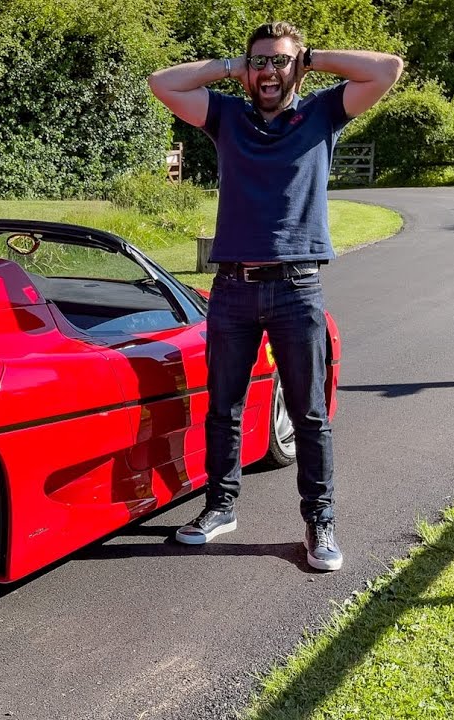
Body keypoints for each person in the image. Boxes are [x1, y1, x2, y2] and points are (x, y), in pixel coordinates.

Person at [147, 22, 403, 571]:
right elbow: (162, 83)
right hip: (232, 288)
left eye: (280, 61)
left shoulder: (323, 113)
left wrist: (309, 58)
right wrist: (230, 67)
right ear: (248, 70)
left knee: (309, 413)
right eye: (259, 61)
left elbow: (388, 69)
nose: (269, 71)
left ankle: (320, 521)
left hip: (297, 287)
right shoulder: (227, 117)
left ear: (297, 67)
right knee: (225, 408)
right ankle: (220, 507)